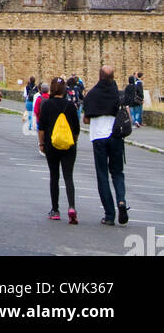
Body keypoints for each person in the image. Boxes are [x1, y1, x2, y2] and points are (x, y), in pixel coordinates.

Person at [83, 65, 129, 226]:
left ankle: (109, 215)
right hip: (116, 136)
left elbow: (86, 119)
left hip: (98, 137)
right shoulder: (118, 94)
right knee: (117, 173)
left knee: (102, 175)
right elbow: (126, 114)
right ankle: (121, 201)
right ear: (113, 76)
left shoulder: (92, 94)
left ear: (99, 76)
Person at [37, 76, 80, 223]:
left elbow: (41, 127)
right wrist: (74, 140)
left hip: (52, 145)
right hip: (69, 145)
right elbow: (77, 128)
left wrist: (41, 143)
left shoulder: (47, 105)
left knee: (54, 176)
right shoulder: (70, 106)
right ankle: (72, 207)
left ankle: (55, 210)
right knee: (68, 176)